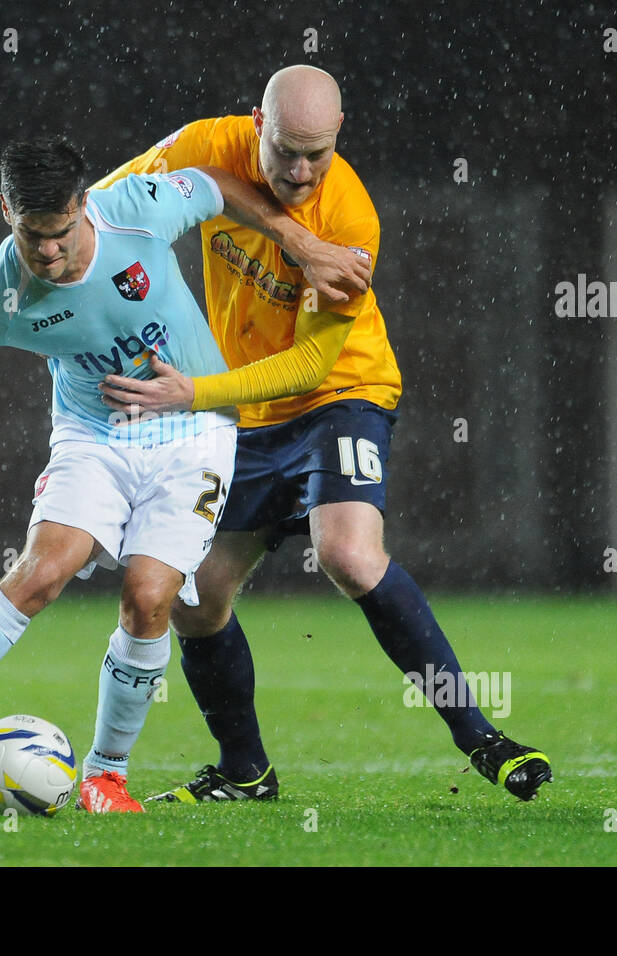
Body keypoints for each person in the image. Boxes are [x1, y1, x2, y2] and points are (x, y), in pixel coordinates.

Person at [0, 135, 364, 813]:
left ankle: (106, 775)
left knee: (149, 597)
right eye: (30, 234)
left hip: (193, 436)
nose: (47, 252)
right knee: (39, 574)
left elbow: (218, 185)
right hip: (94, 437)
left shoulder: (137, 207)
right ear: (5, 212)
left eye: (61, 232)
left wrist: (301, 244)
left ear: (84, 205)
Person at [96, 65, 553, 802]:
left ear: (339, 138)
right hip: (241, 411)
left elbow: (308, 362)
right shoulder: (204, 146)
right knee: (192, 598)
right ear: (256, 125)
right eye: (286, 151)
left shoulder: (350, 219)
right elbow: (106, 206)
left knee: (345, 552)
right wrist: (280, 235)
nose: (302, 170)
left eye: (319, 152)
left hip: (338, 394)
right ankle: (246, 771)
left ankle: (483, 740)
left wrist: (190, 392)